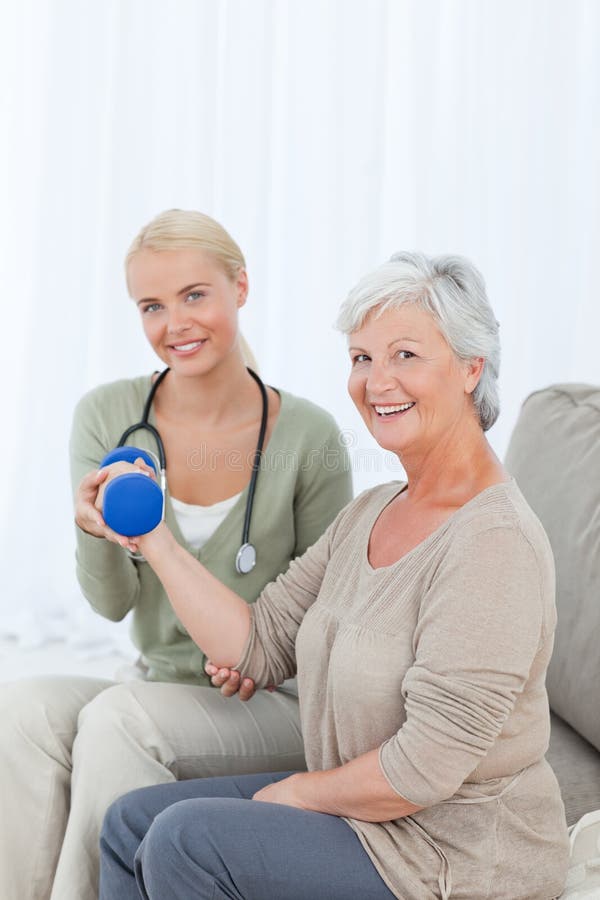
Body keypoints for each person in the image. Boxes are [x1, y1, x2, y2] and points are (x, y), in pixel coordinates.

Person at [99, 251, 570, 900]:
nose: (377, 382)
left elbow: (424, 766)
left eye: (405, 355)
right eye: (361, 358)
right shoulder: (370, 513)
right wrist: (152, 538)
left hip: (450, 859)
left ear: (470, 368)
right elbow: (256, 643)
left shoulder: (493, 544)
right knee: (132, 822)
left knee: (187, 840)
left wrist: (295, 792)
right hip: (363, 822)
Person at [0, 209, 352, 900]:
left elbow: (334, 615)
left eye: (195, 295)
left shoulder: (309, 435)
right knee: (23, 709)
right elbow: (111, 603)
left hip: (275, 701)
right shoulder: (108, 415)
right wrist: (93, 528)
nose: (175, 324)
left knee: (118, 719)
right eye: (152, 306)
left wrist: (264, 659)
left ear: (240, 288)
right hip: (159, 681)